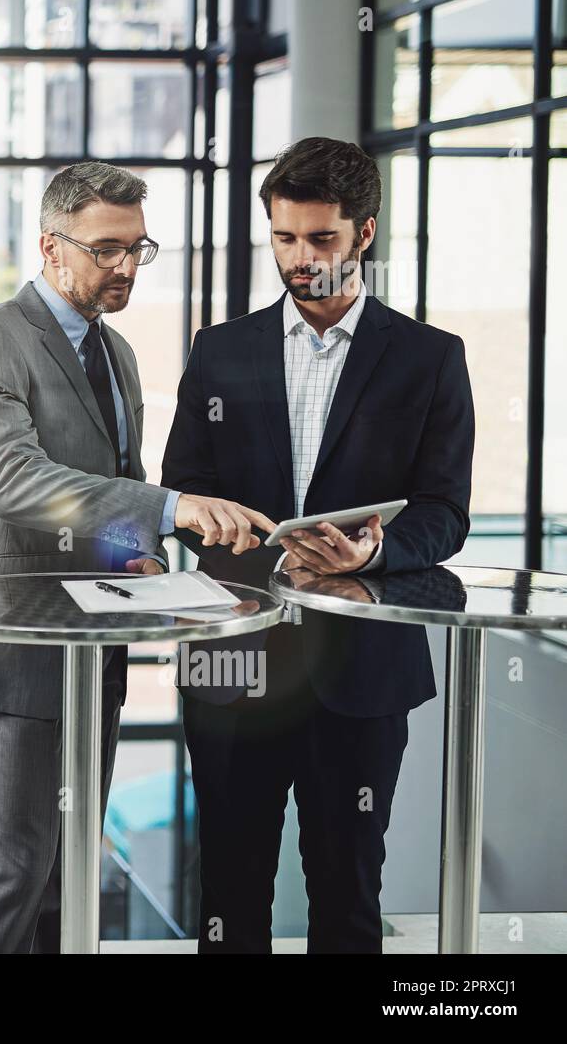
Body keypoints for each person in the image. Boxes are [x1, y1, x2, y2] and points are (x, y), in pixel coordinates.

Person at [0, 160, 275, 953]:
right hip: (17, 650)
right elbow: (14, 482)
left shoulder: (116, 354)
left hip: (97, 653)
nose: (126, 267)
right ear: (51, 246)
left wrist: (140, 552)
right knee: (10, 871)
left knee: (69, 870)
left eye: (138, 248)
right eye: (106, 249)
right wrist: (169, 506)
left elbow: (109, 487)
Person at [161, 136, 476, 952]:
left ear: (364, 232)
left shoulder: (429, 359)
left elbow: (446, 511)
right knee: (229, 898)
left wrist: (370, 555)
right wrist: (207, 522)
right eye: (284, 238)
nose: (300, 259)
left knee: (346, 897)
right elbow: (182, 488)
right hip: (233, 663)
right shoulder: (218, 352)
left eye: (321, 239)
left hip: (362, 667)